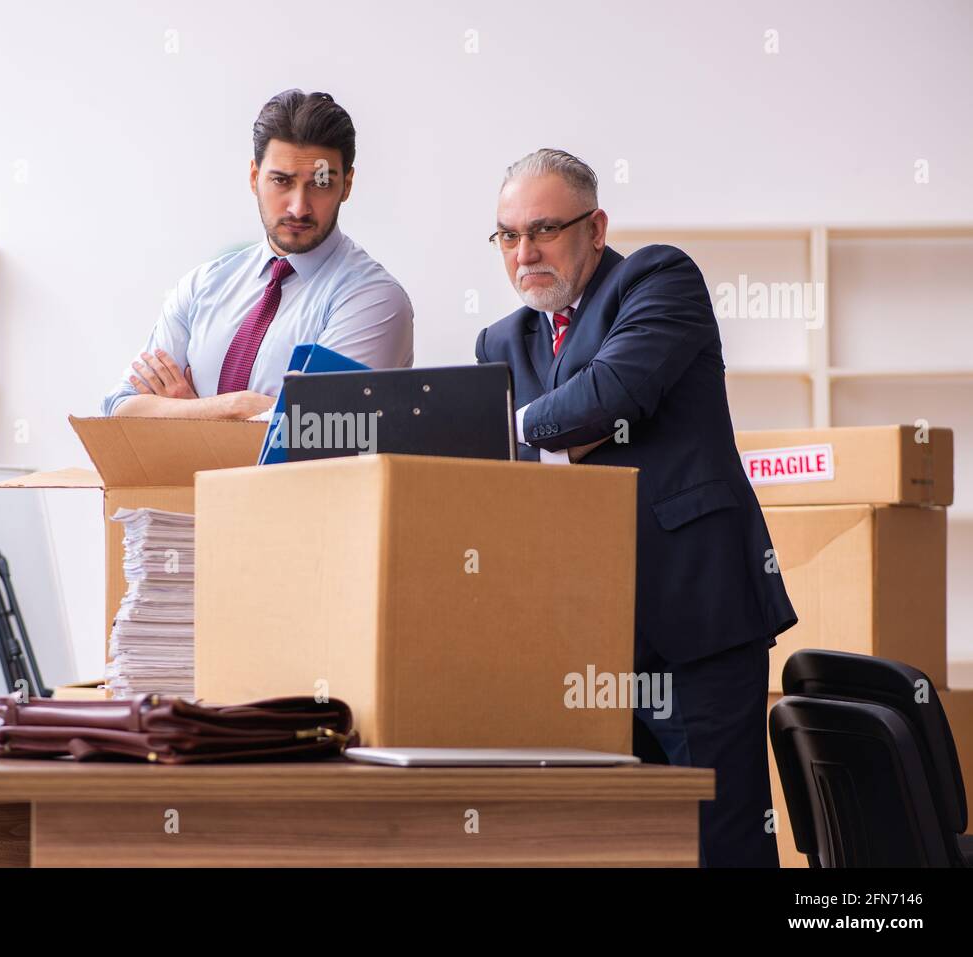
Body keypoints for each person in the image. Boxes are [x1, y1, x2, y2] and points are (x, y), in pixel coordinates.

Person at [475, 148, 798, 867]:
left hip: (695, 620)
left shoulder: (656, 278)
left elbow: (613, 392)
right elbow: (491, 472)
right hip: (578, 639)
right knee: (616, 842)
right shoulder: (499, 340)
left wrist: (524, 427)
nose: (523, 252)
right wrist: (561, 436)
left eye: (544, 230)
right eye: (506, 235)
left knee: (722, 840)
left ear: (595, 227)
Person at [102, 89, 414, 419]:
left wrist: (187, 413)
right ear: (254, 177)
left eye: (320, 184)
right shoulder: (202, 286)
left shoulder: (374, 300)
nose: (299, 207)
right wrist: (236, 407)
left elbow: (314, 433)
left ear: (347, 185)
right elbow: (120, 410)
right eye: (282, 181)